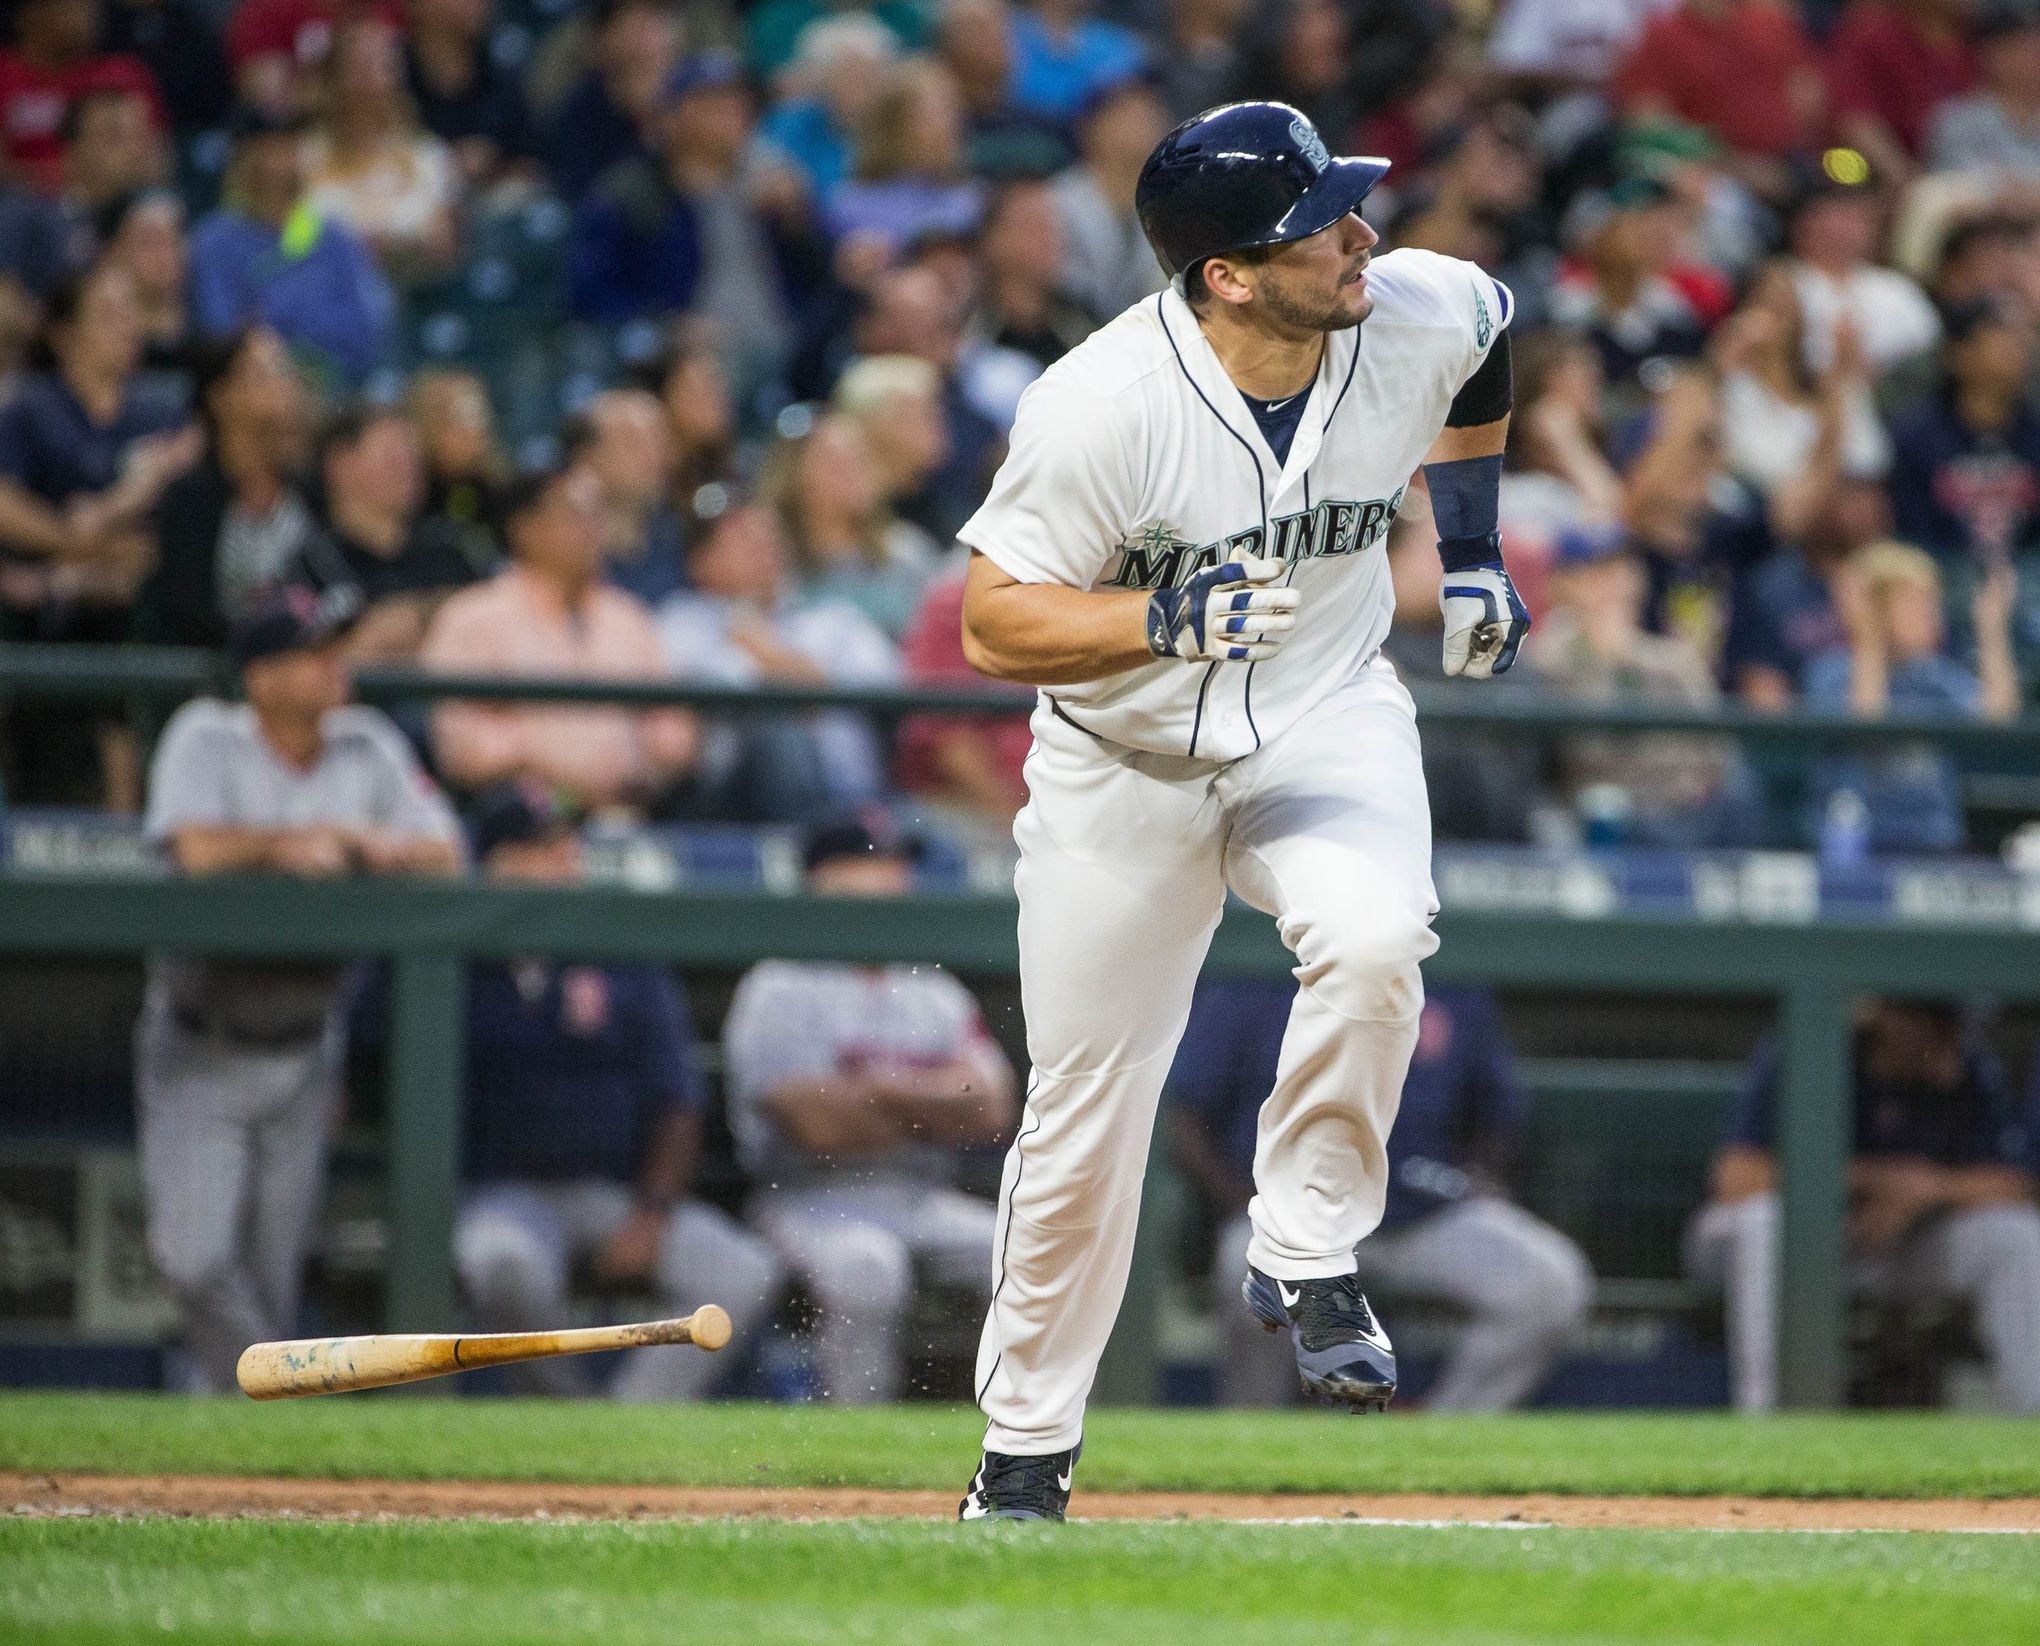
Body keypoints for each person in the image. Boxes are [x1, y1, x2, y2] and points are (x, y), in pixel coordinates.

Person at [952, 102, 1528, 1520]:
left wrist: (1471, 551)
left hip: (1322, 718)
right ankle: (1023, 1460)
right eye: (1321, 219)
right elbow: (990, 621)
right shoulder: (1099, 402)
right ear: (1226, 273)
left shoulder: (1411, 305)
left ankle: (1307, 1248)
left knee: (1378, 931)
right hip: (1120, 768)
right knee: (1084, 1123)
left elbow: (1487, 341)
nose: (1361, 233)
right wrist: (1157, 615)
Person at [137, 586, 463, 1392]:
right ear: (262, 678)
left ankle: (235, 1445)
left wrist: (354, 842)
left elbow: (446, 856)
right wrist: (287, 846)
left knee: (271, 1276)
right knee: (195, 1259)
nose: (334, 664)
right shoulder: (206, 735)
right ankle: (285, 1404)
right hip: (202, 1037)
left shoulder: (366, 743)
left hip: (308, 1042)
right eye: (313, 652)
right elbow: (194, 852)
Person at [450, 782, 783, 1398]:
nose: (563, 863)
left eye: (566, 847)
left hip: (610, 1193)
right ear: (495, 862)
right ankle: (563, 1414)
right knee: (505, 1266)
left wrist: (651, 1213)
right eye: (539, 850)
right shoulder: (453, 951)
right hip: (493, 1192)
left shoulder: (616, 949)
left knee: (743, 1272)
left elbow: (678, 1101)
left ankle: (631, 1417)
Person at [1169, 978, 1592, 1409]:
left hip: (1424, 1217)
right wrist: (1249, 1204)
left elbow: (1498, 1115)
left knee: (1549, 1281)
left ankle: (1442, 1448)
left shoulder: (1450, 976)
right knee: (1246, 1267)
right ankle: (1251, 1440)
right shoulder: (1257, 979)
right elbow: (1186, 1127)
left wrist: (1480, 1177)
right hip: (1299, 1219)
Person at [722, 817, 1017, 1403]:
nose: (896, 878)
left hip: (917, 1192)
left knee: (1022, 1255)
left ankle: (1016, 1437)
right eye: (872, 862)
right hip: (806, 1197)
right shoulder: (779, 985)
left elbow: (993, 1106)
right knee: (867, 1268)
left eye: (896, 863)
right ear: (823, 880)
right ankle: (851, 1446)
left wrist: (875, 1091)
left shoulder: (933, 986)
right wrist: (932, 1101)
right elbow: (816, 1126)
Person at [1689, 999, 2040, 1413]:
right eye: (1937, 1022)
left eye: (1957, 1026)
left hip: (1899, 1247)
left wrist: (1931, 1188)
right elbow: (1736, 1179)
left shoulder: (1974, 1075)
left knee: (2012, 1234)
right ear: (1889, 1018)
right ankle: (1775, 1423)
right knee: (1765, 1221)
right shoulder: (1815, 1047)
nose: (1952, 1040)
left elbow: (2017, 1187)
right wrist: (1877, 1183)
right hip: (1778, 1244)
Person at [0, 259, 196, 805]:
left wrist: (87, 547)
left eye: (131, 312)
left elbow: (166, 534)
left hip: (129, 600)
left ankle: (131, 803)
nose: (127, 326)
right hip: (36, 610)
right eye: (108, 313)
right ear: (64, 333)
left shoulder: (161, 411)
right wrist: (79, 541)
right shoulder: (32, 408)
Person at [420, 461, 700, 810]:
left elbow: (673, 726)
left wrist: (644, 775)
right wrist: (564, 782)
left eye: (597, 515)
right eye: (573, 515)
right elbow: (464, 743)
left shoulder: (628, 616)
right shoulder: (473, 616)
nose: (591, 529)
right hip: (524, 812)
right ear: (525, 528)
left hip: (634, 809)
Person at [566, 49, 807, 398]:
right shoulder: (630, 196)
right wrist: (667, 326)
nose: (732, 116)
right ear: (673, 116)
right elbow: (591, 295)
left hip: (783, 353)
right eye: (714, 105)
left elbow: (816, 283)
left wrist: (798, 220)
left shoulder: (769, 185)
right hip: (693, 363)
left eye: (738, 105)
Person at [656, 483, 899, 816]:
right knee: (779, 726)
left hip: (860, 799)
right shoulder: (684, 620)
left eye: (768, 535)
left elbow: (889, 687)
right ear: (701, 563)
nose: (763, 546)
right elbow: (725, 688)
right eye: (742, 538)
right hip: (741, 803)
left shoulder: (831, 617)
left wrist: (765, 653)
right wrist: (810, 681)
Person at [1533, 524, 1762, 846]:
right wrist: (1610, 664)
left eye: (1625, 570)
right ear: (1564, 585)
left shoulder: (1669, 658)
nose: (1619, 584)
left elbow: (1717, 747)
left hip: (1687, 815)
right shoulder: (1546, 657)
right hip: (1603, 819)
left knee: (1738, 803)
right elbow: (1583, 753)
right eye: (1600, 574)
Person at [1804, 539, 2020, 854]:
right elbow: (1867, 727)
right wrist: (1868, 634)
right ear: (1877, 608)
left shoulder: (1934, 675)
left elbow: (1999, 716)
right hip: (1860, 844)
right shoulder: (1830, 671)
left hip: (1933, 842)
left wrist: (1991, 630)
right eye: (1917, 604)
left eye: (1934, 604)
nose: (1933, 617)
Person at [187, 108, 398, 391]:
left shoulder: (333, 237)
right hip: (256, 390)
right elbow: (219, 333)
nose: (281, 162)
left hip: (336, 387)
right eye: (270, 148)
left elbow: (368, 327)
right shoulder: (214, 241)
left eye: (289, 147)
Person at [132, 327, 316, 649]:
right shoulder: (188, 498)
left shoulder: (314, 491)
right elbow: (191, 613)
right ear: (220, 396)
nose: (283, 388)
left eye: (285, 373)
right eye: (264, 375)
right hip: (214, 676)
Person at [290, 404, 492, 665]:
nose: (408, 467)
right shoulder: (312, 561)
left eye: (413, 455)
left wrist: (415, 616)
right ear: (340, 464)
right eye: (391, 454)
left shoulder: (449, 546)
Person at [301, 19, 460, 279]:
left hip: (414, 293)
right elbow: (293, 243)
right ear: (336, 78)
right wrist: (347, 248)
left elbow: (444, 247)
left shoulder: (426, 155)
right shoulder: (306, 156)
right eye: (362, 68)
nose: (375, 82)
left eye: (386, 66)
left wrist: (402, 249)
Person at [1886, 297, 2040, 564]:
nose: (2017, 349)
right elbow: (1912, 534)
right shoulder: (1914, 436)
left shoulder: (2034, 432)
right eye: (2001, 336)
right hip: (1941, 572)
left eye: (2020, 338)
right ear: (1957, 353)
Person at [760, 410, 937, 640]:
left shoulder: (907, 553)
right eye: (835, 463)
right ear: (794, 480)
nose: (855, 473)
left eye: (859, 458)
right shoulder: (776, 568)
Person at [0, 0, 161, 194]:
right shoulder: (5, 74)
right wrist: (70, 175)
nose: (83, 19)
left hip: (115, 197)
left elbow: (158, 159)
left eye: (88, 8)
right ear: (29, 17)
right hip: (22, 203)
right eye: (68, 8)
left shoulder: (122, 74)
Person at [1050, 74, 1169, 323]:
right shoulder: (1058, 199)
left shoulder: (1168, 205)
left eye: (1148, 110)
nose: (1143, 121)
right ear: (1089, 127)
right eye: (1126, 112)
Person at [568, 388, 687, 609]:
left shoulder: (684, 540)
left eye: (659, 441)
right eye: (632, 442)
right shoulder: (560, 556)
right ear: (586, 457)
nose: (654, 454)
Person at [403, 0, 534, 190]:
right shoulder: (389, 77)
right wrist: (444, 163)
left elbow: (531, 164)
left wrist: (495, 165)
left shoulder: (502, 73)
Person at [1929, 3, 2040, 181]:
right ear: (1989, 55)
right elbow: (1953, 188)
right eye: (2017, 46)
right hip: (1987, 209)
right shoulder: (1958, 121)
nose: (2033, 55)